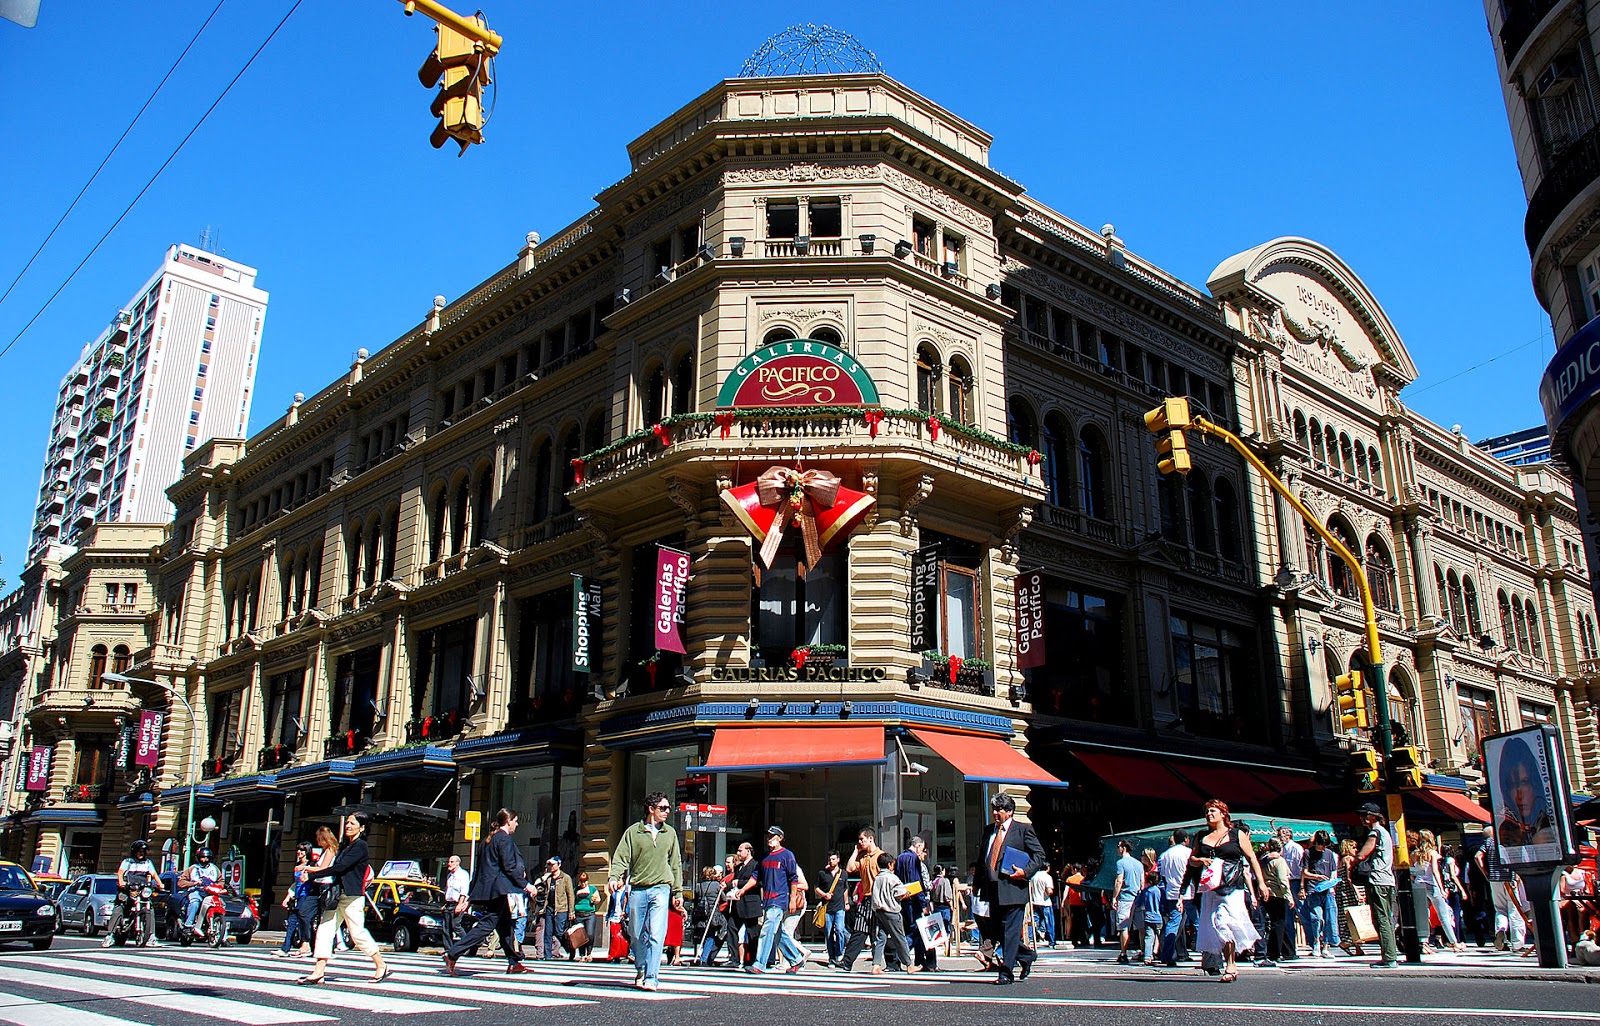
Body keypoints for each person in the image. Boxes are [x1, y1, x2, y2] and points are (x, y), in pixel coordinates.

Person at [441, 807, 539, 976]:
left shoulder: (487, 841)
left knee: (505, 925)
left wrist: (471, 895)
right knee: (487, 925)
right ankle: (452, 953)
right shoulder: (504, 839)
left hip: (488, 889)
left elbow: (479, 870)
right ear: (508, 821)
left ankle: (513, 962)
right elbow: (509, 867)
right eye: (515, 821)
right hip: (497, 890)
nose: (517, 825)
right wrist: (526, 885)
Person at [1182, 799, 1266, 983]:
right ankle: (1228, 961)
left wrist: (1260, 883)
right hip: (1211, 887)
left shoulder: (1236, 835)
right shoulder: (1202, 835)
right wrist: (1201, 861)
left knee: (1225, 922)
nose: (1209, 814)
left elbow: (1252, 858)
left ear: (1223, 814)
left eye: (1213, 811)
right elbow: (1191, 860)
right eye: (1207, 812)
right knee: (1217, 924)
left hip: (1232, 886)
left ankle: (1231, 963)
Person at [299, 812, 387, 986]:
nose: (348, 825)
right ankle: (318, 971)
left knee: (357, 934)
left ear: (361, 828)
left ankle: (381, 964)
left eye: (352, 823)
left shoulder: (361, 846)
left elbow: (340, 868)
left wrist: (312, 876)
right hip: (338, 895)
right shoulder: (346, 846)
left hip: (352, 897)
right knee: (325, 930)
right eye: (347, 822)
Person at [609, 791, 685, 991]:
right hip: (638, 889)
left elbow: (675, 864)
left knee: (656, 934)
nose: (667, 811)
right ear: (651, 809)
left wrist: (677, 893)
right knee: (635, 933)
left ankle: (652, 977)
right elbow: (621, 858)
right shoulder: (633, 833)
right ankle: (641, 967)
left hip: (662, 888)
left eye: (668, 808)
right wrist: (614, 877)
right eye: (663, 808)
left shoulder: (670, 834)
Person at [974, 792, 1046, 985]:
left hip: (1014, 889)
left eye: (1000, 810)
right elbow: (983, 859)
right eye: (994, 810)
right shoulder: (989, 830)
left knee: (1011, 931)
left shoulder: (1023, 830)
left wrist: (1025, 872)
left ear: (1010, 811)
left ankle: (1006, 972)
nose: (996, 813)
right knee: (996, 931)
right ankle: (1026, 955)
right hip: (992, 889)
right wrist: (977, 886)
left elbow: (1039, 856)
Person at [751, 825, 807, 973]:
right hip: (768, 901)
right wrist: (741, 890)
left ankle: (759, 964)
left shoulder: (787, 855)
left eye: (772, 836)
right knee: (778, 934)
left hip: (779, 900)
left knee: (767, 930)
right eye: (768, 836)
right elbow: (755, 877)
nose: (769, 839)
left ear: (780, 838)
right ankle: (796, 959)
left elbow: (794, 879)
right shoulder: (764, 857)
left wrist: (793, 899)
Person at [1355, 801, 1400, 968]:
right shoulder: (1386, 833)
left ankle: (1389, 957)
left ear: (1373, 816)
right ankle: (1390, 955)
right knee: (1386, 918)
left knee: (1381, 919)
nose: (1361, 818)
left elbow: (1362, 854)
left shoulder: (1375, 832)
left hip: (1378, 880)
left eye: (1364, 815)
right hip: (1387, 880)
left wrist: (1354, 860)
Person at [1474, 825, 1527, 952]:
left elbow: (1477, 856)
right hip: (1509, 878)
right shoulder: (1505, 840)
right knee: (1515, 910)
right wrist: (1516, 876)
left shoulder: (1487, 843)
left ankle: (1501, 930)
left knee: (1500, 909)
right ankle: (1517, 943)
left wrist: (1486, 873)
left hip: (1494, 879)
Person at [1495, 737, 1555, 847]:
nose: (1520, 795)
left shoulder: (1550, 822)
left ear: (1535, 784)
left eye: (1525, 782)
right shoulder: (1508, 830)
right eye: (1513, 785)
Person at [103, 840, 163, 947]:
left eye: (143, 852)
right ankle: (110, 935)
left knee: (150, 908)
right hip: (128, 889)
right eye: (139, 851)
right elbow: (120, 872)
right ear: (134, 852)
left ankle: (151, 936)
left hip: (141, 890)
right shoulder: (128, 862)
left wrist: (160, 883)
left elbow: (154, 874)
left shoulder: (148, 863)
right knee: (120, 905)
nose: (141, 853)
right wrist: (121, 881)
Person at [869, 852, 920, 975]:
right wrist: (906, 893)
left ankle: (876, 965)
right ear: (889, 865)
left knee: (881, 938)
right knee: (900, 938)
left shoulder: (877, 878)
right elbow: (899, 893)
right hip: (892, 911)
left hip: (879, 911)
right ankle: (908, 964)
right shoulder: (892, 878)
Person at [1413, 831, 1465, 953]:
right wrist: (1441, 888)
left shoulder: (1414, 854)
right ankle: (1454, 942)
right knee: (1443, 915)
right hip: (1432, 885)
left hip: (1419, 884)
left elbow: (1413, 872)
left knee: (1423, 915)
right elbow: (1435, 872)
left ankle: (1423, 943)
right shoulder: (1433, 853)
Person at [895, 835, 937, 970]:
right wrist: (923, 903)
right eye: (921, 849)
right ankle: (898, 956)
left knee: (912, 929)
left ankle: (920, 960)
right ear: (918, 846)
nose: (921, 852)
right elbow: (916, 881)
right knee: (916, 930)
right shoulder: (914, 859)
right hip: (914, 900)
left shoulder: (900, 857)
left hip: (903, 898)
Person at [1300, 830, 1341, 958]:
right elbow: (1304, 872)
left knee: (1329, 918)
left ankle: (1326, 945)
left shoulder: (1329, 854)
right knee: (1317, 917)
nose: (1323, 848)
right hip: (1313, 889)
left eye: (1325, 845)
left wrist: (1332, 883)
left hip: (1327, 890)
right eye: (1321, 845)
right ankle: (1316, 942)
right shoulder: (1308, 853)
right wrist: (1316, 877)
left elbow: (1333, 871)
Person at [1157, 829, 1193, 966]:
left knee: (1174, 923)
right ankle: (1209, 955)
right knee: (1197, 922)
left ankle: (1168, 954)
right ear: (1186, 839)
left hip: (1172, 892)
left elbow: (1163, 875)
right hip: (1188, 892)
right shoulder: (1188, 853)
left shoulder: (1165, 855)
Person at [276, 843, 317, 957]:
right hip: (298, 897)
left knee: (303, 922)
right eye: (298, 850)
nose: (299, 853)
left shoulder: (311, 865)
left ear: (307, 852)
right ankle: (285, 948)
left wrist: (307, 870)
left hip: (307, 897)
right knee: (292, 922)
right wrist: (288, 897)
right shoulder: (297, 865)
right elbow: (295, 884)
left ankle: (308, 946)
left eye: (302, 851)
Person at [1111, 840, 1144, 964]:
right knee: (1141, 927)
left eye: (1118, 847)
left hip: (1125, 898)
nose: (1117, 849)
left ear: (1123, 848)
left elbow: (1119, 881)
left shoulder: (1121, 863)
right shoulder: (1139, 864)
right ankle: (1143, 951)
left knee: (1124, 927)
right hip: (1138, 898)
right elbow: (1142, 882)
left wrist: (1114, 897)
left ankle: (1124, 953)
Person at [1259, 838, 1291, 965]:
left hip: (1266, 893)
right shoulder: (1279, 861)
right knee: (1279, 923)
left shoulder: (1263, 860)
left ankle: (1274, 951)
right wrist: (1288, 896)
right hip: (1277, 894)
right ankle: (1276, 952)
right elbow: (1283, 881)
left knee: (1271, 923)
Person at [815, 850, 850, 965]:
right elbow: (816, 888)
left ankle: (839, 953)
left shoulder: (843, 873)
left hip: (839, 907)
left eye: (834, 859)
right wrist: (824, 895)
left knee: (839, 929)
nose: (831, 861)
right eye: (830, 859)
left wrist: (846, 903)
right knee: (828, 933)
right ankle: (832, 957)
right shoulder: (822, 873)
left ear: (838, 860)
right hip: (827, 907)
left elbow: (845, 889)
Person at [1334, 838, 1367, 957]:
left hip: (1342, 892)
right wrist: (1358, 893)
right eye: (1353, 847)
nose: (1356, 850)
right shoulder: (1348, 860)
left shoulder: (1340, 860)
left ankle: (1357, 947)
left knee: (1349, 918)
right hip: (1350, 892)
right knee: (1354, 918)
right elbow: (1349, 878)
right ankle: (1346, 943)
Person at [178, 847, 222, 937]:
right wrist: (194, 883)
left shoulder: (215, 869)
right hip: (196, 891)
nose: (205, 860)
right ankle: (188, 925)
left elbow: (221, 881)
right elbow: (181, 882)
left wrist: (219, 887)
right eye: (203, 857)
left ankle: (223, 936)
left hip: (210, 893)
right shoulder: (193, 868)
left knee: (221, 905)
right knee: (195, 903)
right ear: (198, 858)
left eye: (207, 858)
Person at [541, 856, 576, 959]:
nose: (550, 866)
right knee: (547, 933)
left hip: (561, 909)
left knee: (559, 932)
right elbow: (542, 891)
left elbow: (570, 895)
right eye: (549, 865)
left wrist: (571, 911)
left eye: (553, 864)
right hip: (549, 909)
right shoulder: (548, 878)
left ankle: (570, 948)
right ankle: (547, 956)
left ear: (559, 865)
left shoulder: (565, 878)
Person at [441, 853, 471, 945]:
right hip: (449, 904)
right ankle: (449, 950)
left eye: (452, 862)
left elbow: (464, 891)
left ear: (457, 863)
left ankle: (467, 944)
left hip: (457, 904)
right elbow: (448, 890)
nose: (449, 864)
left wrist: (460, 904)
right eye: (449, 862)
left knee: (456, 925)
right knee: (446, 928)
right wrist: (445, 904)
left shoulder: (463, 875)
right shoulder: (449, 875)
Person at [1137, 870, 1164, 965]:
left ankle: (1147, 956)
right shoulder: (1159, 891)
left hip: (1148, 917)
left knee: (1149, 937)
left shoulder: (1145, 891)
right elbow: (1162, 904)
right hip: (1158, 917)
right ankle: (1164, 955)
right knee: (1161, 937)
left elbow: (1138, 903)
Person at [930, 863, 955, 958]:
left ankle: (937, 948)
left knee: (937, 928)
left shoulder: (933, 882)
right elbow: (947, 896)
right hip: (944, 907)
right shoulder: (945, 881)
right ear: (942, 871)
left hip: (936, 907)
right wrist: (952, 906)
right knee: (946, 928)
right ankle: (947, 947)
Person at [572, 870, 598, 961]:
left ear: (588, 881)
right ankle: (582, 954)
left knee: (590, 934)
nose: (583, 883)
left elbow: (598, 899)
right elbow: (572, 900)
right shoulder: (576, 889)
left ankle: (589, 952)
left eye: (585, 881)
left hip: (589, 914)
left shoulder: (592, 889)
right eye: (581, 881)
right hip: (578, 915)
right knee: (580, 936)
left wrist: (594, 900)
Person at [1030, 861, 1056, 948]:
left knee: (1034, 921)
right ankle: (1051, 941)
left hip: (1035, 902)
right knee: (1049, 922)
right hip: (1045, 902)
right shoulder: (1047, 877)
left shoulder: (1034, 877)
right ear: (1048, 868)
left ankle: (1030, 938)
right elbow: (1049, 891)